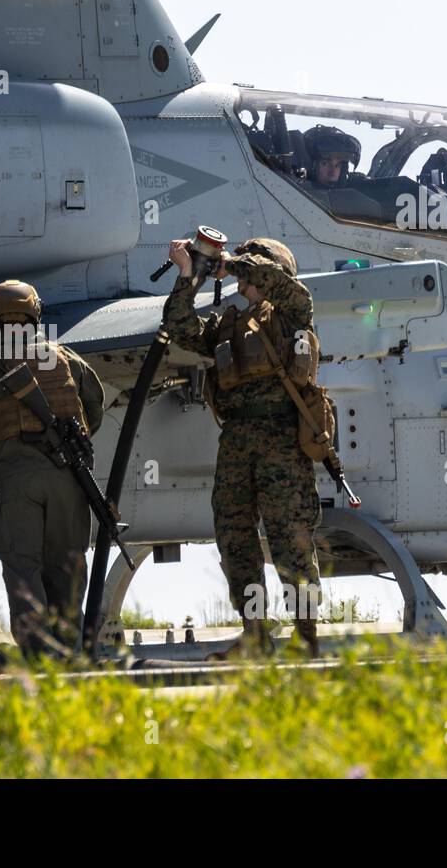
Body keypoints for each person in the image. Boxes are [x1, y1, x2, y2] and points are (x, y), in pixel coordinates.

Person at [163, 237, 323, 657]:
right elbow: (179, 327)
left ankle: (306, 637)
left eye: (252, 270)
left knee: (291, 539)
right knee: (235, 539)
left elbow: (268, 277)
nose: (244, 279)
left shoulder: (292, 310)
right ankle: (255, 634)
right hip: (236, 439)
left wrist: (228, 261)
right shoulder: (228, 326)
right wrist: (187, 276)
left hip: (282, 438)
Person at [0, 280, 105, 660]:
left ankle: (39, 655)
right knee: (68, 565)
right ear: (35, 315)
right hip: (69, 478)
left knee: (23, 567)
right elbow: (95, 407)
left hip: (16, 478)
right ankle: (68, 650)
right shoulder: (66, 358)